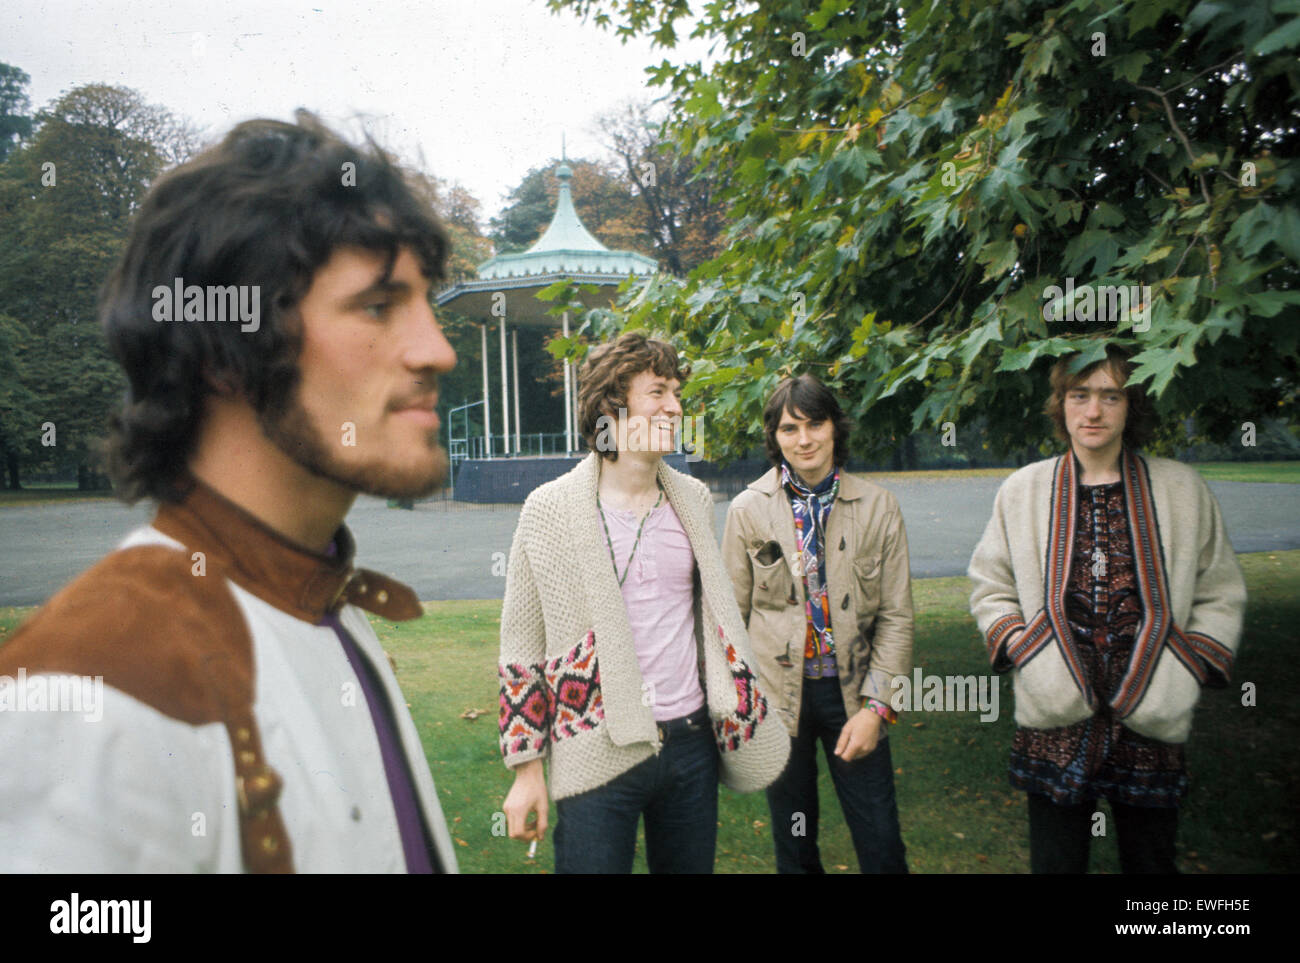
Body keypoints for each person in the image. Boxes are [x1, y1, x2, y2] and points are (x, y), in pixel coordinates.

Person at [0, 112, 460, 873]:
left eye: (425, 302)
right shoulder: (94, 685)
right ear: (225, 350)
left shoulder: (323, 608)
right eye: (379, 306)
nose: (437, 349)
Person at [497, 332, 789, 873]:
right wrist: (526, 767)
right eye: (658, 391)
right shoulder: (549, 510)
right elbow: (521, 645)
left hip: (690, 745)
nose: (675, 406)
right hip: (595, 748)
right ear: (613, 404)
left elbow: (712, 622)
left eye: (676, 392)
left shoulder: (693, 500)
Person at [968, 344, 1247, 874]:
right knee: (1057, 863)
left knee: (1151, 870)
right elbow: (990, 582)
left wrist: (1186, 667)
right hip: (1055, 717)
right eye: (1080, 396)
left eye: (1109, 396)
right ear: (1062, 404)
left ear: (1130, 405)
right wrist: (1026, 649)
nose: (1093, 411)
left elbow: (1220, 590)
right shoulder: (1023, 490)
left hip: (1149, 714)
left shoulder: (1182, 489)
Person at [721, 374, 912, 874]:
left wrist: (878, 708)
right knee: (796, 843)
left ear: (834, 427)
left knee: (881, 842)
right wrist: (743, 705)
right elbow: (730, 618)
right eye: (789, 428)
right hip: (779, 700)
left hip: (853, 695)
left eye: (814, 424)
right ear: (774, 436)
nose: (803, 439)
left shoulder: (878, 507)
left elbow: (896, 616)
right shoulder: (747, 510)